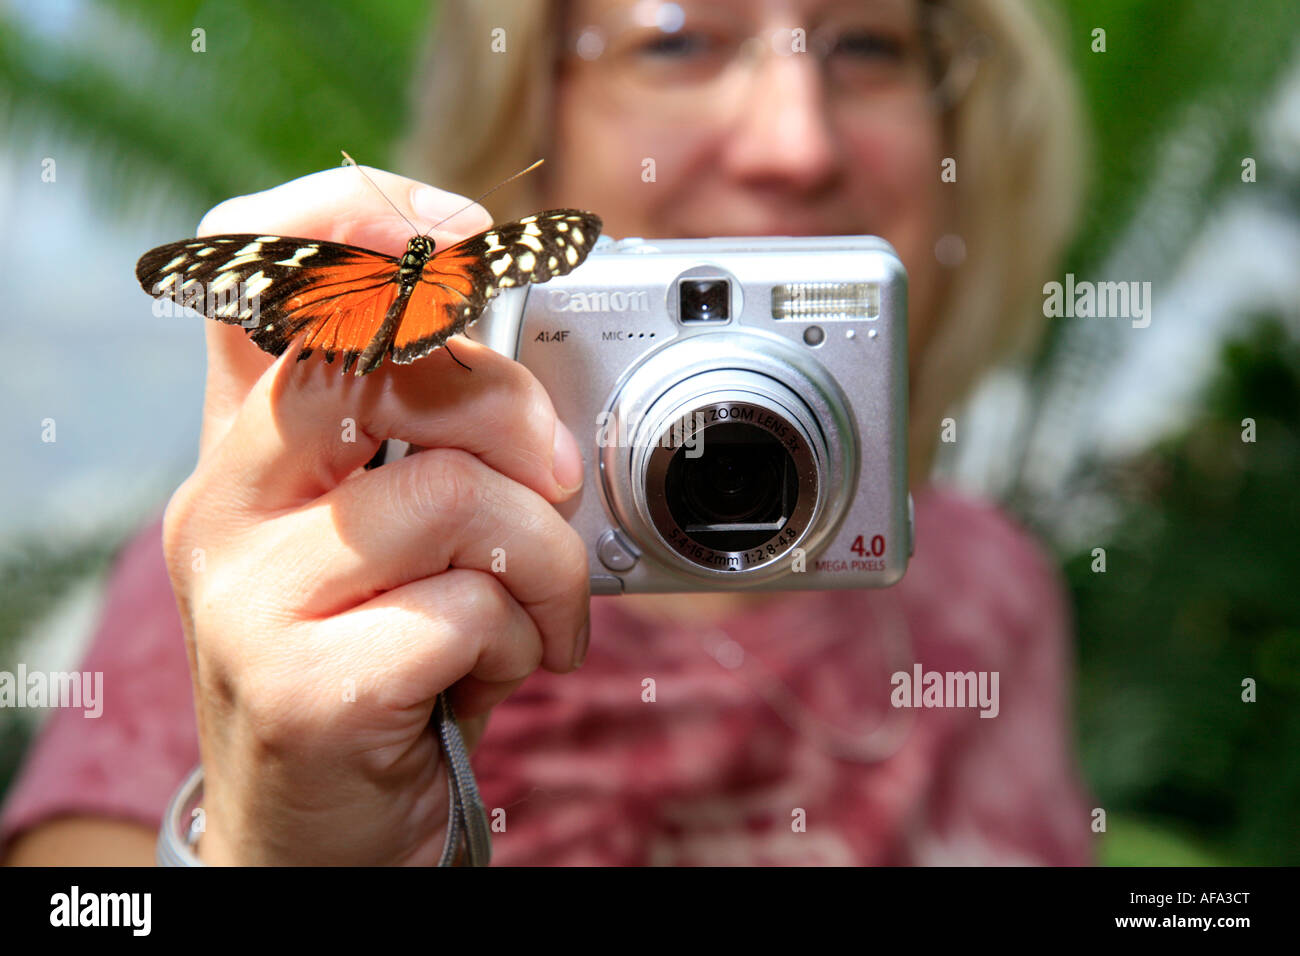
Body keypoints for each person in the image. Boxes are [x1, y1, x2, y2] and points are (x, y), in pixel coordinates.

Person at [2, 0, 1093, 865]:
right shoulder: (313, 558)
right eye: (677, 40)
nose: (793, 141)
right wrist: (272, 841)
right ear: (529, 109)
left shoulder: (993, 586)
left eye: (866, 43)